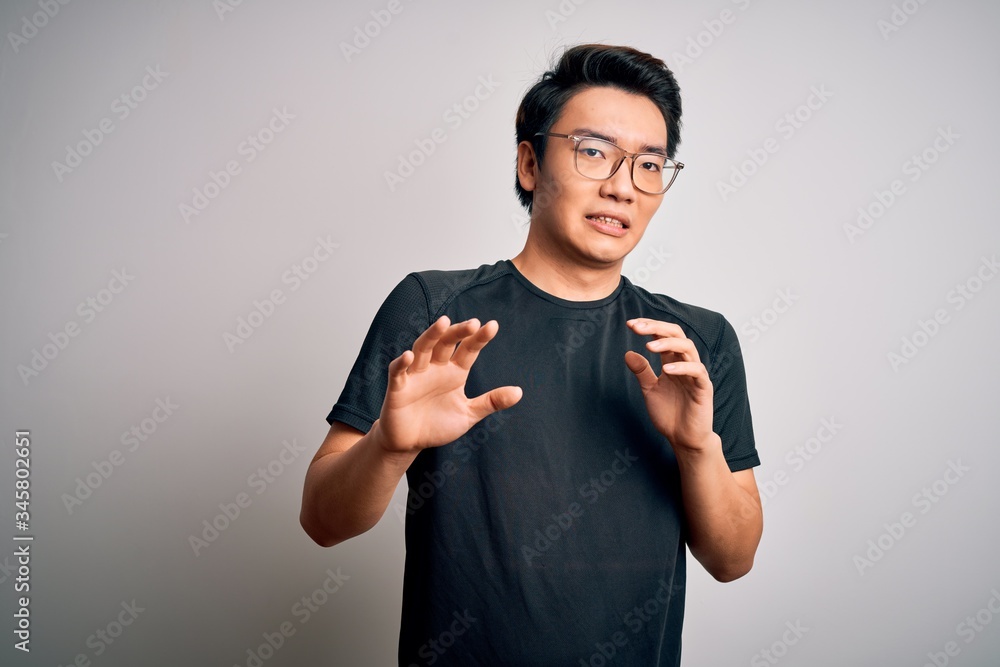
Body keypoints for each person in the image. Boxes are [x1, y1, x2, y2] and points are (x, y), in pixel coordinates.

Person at [300, 43, 763, 666]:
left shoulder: (693, 345)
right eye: (594, 152)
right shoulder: (434, 311)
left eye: (650, 165)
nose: (623, 187)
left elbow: (733, 561)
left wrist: (696, 447)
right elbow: (322, 520)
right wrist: (389, 443)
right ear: (529, 164)